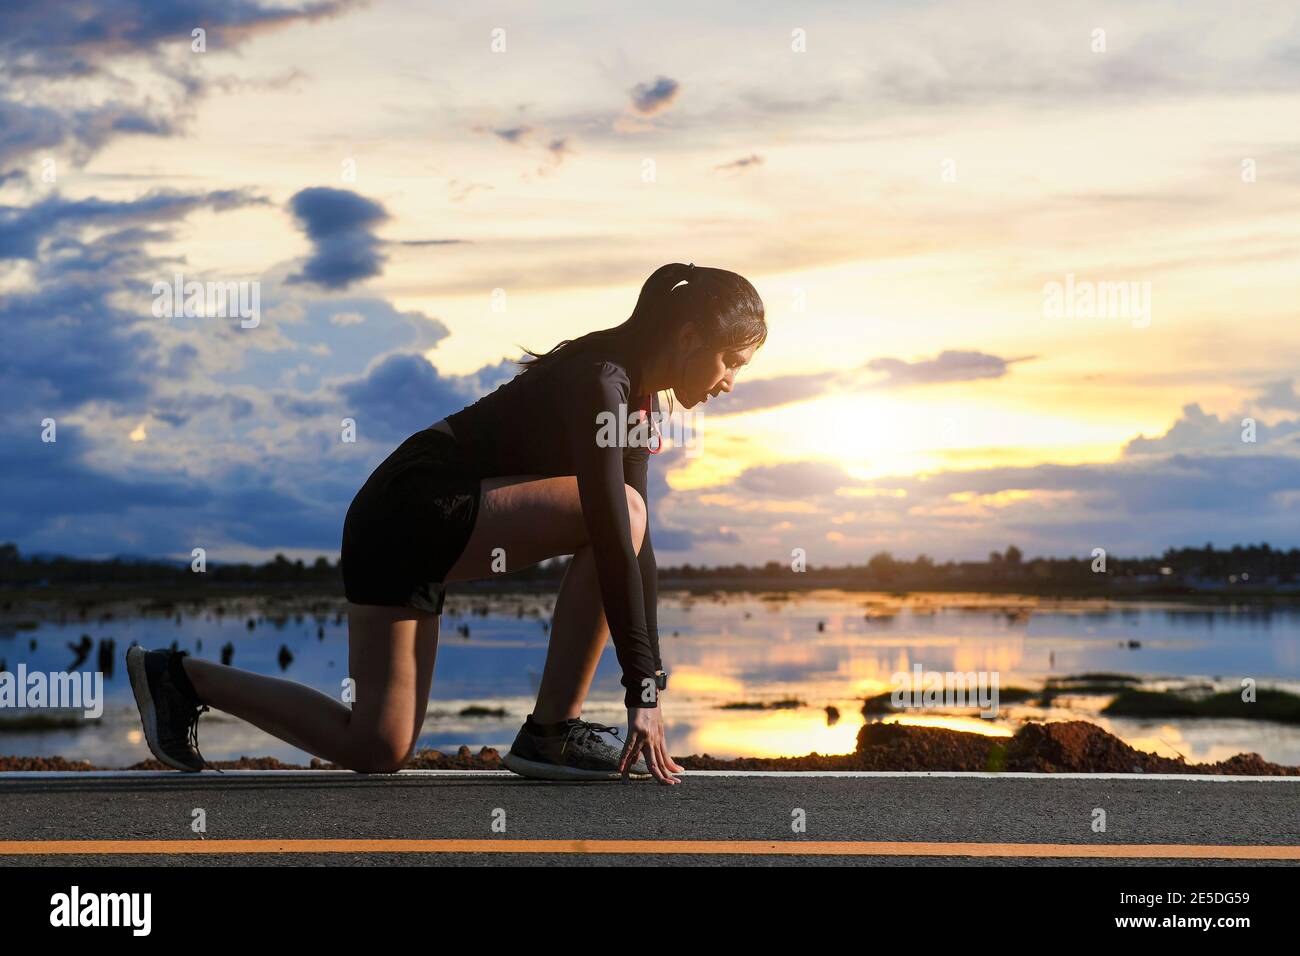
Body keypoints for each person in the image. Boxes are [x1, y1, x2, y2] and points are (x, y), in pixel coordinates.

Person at [127, 262, 766, 785]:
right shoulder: (604, 381)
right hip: (418, 502)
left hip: (387, 526)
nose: (730, 383)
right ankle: (550, 734)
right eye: (730, 361)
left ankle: (178, 677)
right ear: (687, 337)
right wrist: (641, 693)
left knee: (379, 744)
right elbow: (613, 524)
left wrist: (648, 675)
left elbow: (638, 548)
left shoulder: (637, 405)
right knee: (622, 511)